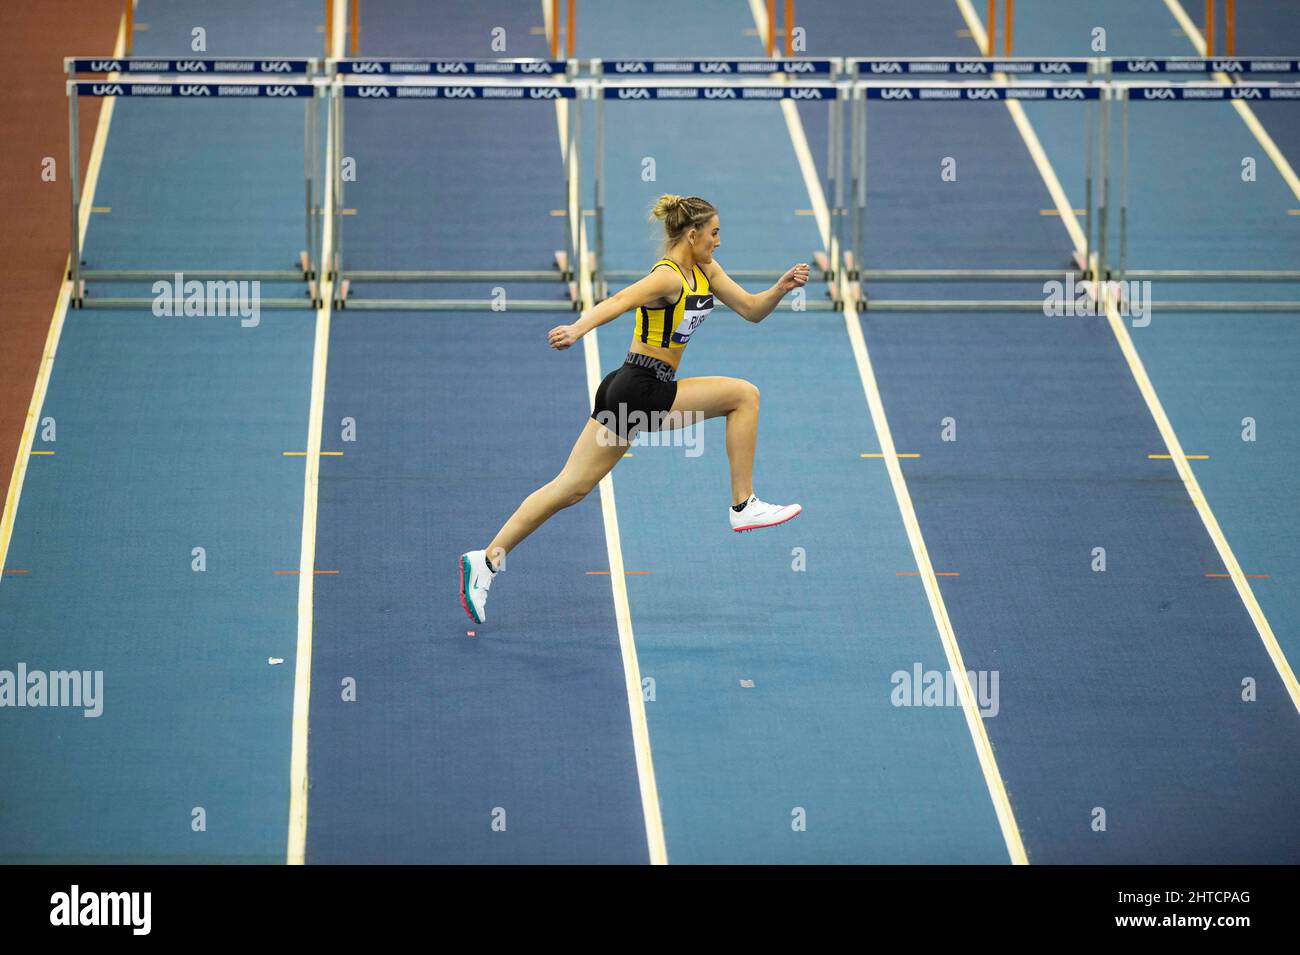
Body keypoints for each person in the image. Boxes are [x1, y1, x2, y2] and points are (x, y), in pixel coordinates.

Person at [460, 194, 808, 624]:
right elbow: (618, 301)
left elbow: (752, 311)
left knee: (570, 488)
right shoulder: (667, 278)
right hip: (640, 390)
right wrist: (577, 329)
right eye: (714, 233)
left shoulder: (706, 270)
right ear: (693, 234)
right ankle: (743, 505)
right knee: (744, 396)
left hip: (628, 392)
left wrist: (780, 288)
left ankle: (486, 560)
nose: (719, 242)